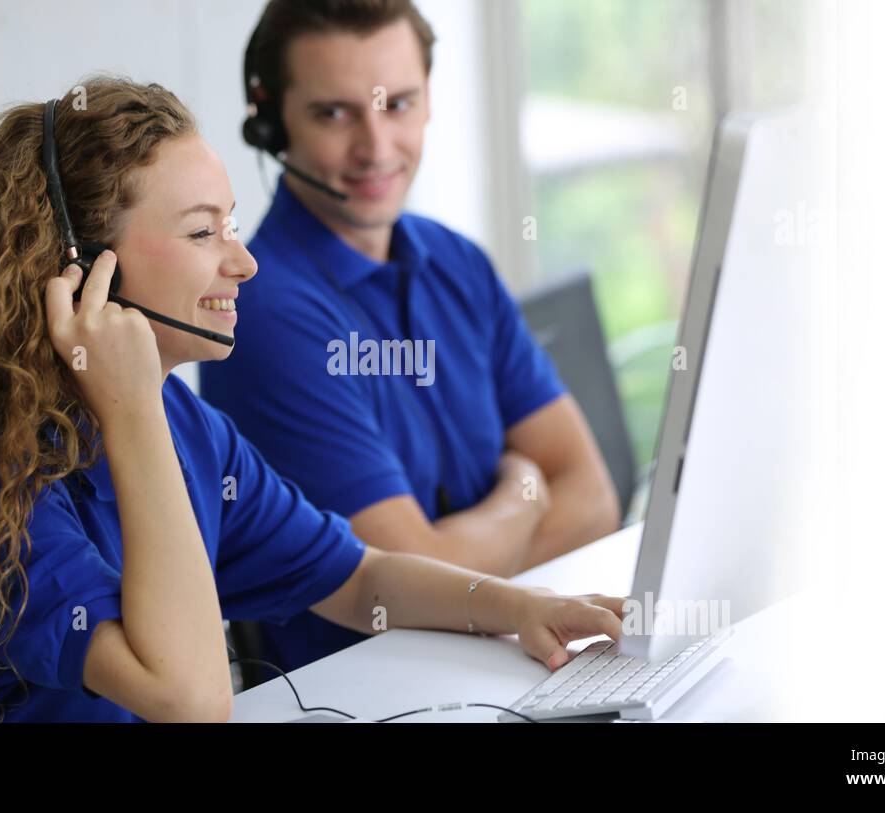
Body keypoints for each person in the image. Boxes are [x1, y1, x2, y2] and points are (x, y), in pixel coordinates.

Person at [0, 77, 626, 722]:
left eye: (233, 225)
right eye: (203, 232)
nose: (242, 263)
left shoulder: (185, 425)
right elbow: (189, 701)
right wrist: (132, 406)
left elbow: (356, 579)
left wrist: (516, 606)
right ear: (83, 267)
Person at [201, 0, 623, 672]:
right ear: (270, 118)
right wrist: (525, 495)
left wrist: (477, 564)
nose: (375, 148)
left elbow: (594, 495)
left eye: (398, 104)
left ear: (429, 100)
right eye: (335, 113)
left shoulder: (459, 262)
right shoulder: (261, 312)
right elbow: (404, 582)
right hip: (384, 693)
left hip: (508, 660)